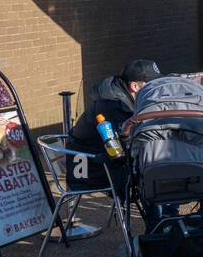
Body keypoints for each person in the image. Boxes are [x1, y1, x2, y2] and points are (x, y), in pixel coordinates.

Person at [67, 58, 161, 196]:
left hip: (102, 160)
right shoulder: (113, 107)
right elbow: (120, 149)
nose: (156, 90)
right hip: (88, 169)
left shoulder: (128, 101)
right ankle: (162, 214)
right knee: (153, 173)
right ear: (135, 86)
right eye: (151, 85)